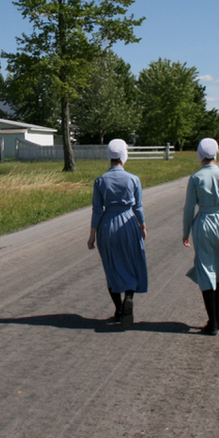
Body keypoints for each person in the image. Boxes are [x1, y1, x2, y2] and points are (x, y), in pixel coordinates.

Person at [182, 138, 219, 336]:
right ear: (216, 153)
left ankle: (213, 320)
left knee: (206, 269)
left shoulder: (196, 178)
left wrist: (185, 231)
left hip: (204, 222)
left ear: (199, 154)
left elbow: (189, 208)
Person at [89, 139, 148, 328]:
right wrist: (142, 225)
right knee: (131, 262)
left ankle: (118, 309)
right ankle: (128, 297)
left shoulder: (100, 181)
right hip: (128, 222)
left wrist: (92, 234)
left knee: (111, 265)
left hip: (107, 224)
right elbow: (138, 206)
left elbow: (97, 209)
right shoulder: (133, 179)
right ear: (124, 155)